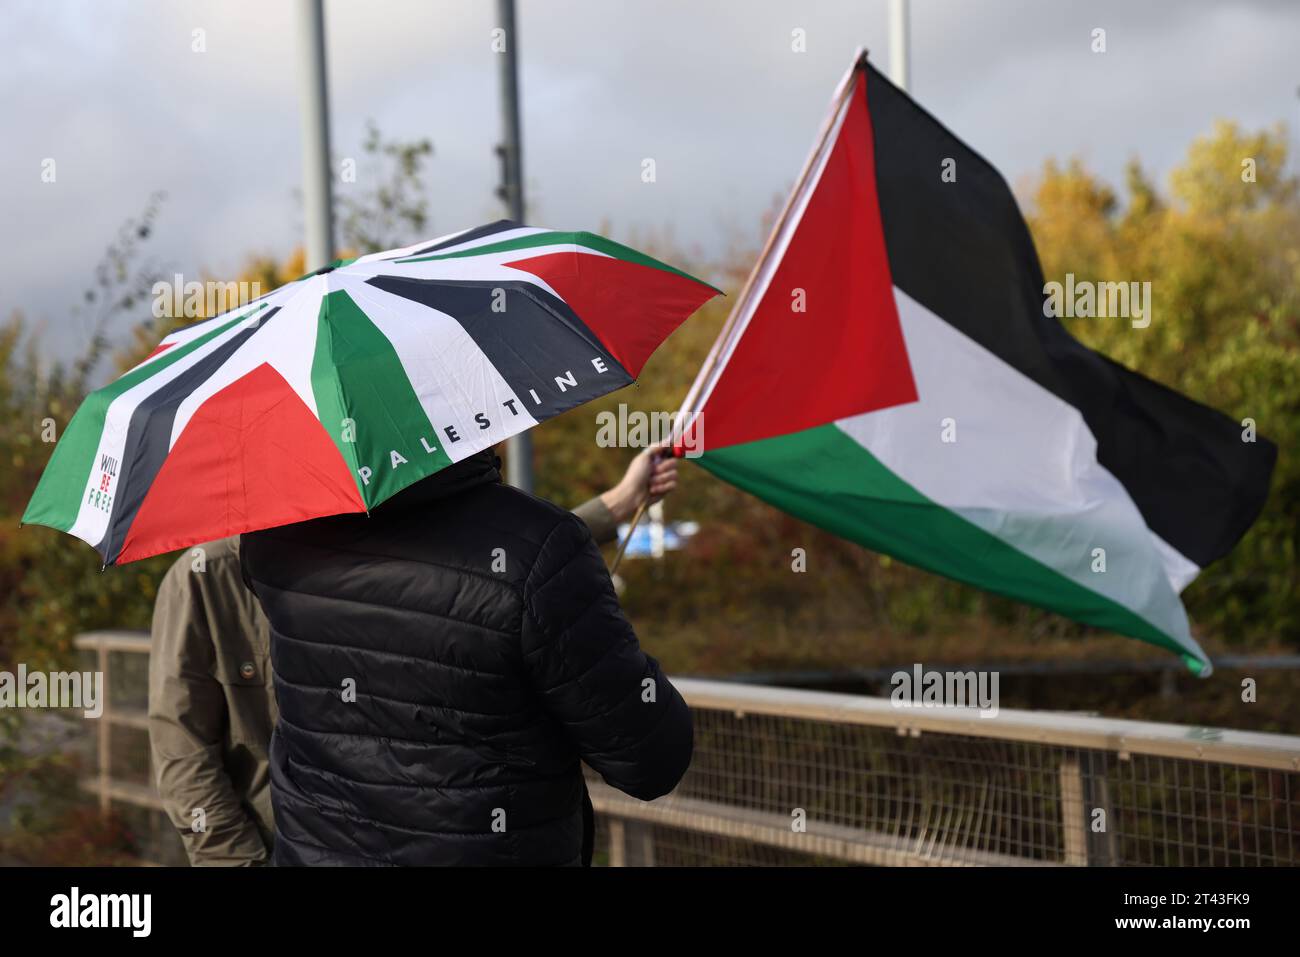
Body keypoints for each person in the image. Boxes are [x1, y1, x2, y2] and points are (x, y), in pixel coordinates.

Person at [148, 447, 682, 866]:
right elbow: (181, 745)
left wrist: (614, 508)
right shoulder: (215, 571)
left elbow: (478, 576)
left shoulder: (278, 548)